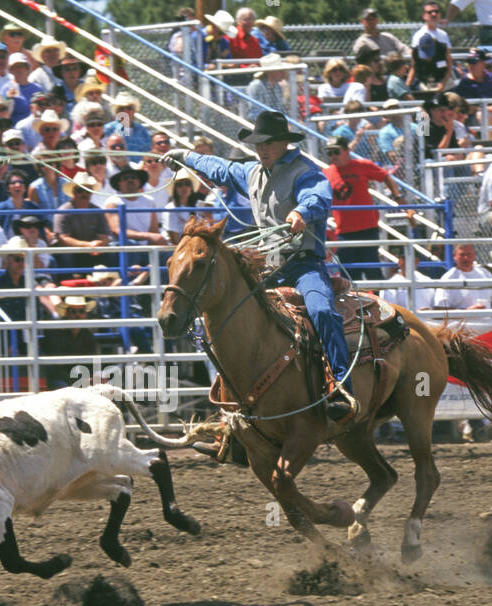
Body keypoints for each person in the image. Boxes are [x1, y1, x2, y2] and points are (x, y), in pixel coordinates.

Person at [165, 110, 354, 420]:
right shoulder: (252, 171)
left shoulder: (305, 171)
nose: (262, 149)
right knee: (231, 314)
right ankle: (233, 407)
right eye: (258, 144)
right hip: (268, 266)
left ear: (283, 143)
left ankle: (340, 384)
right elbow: (221, 168)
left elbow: (318, 196)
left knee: (321, 310)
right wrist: (185, 156)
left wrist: (302, 212)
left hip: (302, 263)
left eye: (267, 144)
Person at [323, 133, 408, 280]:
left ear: (347, 151)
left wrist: (398, 196)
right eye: (329, 153)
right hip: (344, 231)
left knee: (372, 272)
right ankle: (352, 303)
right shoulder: (327, 172)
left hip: (367, 228)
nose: (333, 156)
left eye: (336, 151)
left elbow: (385, 176)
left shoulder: (362, 165)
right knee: (349, 276)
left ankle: (378, 302)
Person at [409, 0, 452, 91]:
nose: (433, 14)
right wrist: (408, 85)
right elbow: (414, 65)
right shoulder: (419, 36)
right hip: (425, 80)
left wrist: (443, 83)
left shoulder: (443, 35)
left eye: (436, 12)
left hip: (443, 79)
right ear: (424, 16)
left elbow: (449, 63)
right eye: (429, 12)